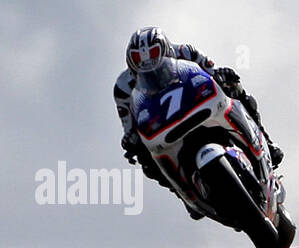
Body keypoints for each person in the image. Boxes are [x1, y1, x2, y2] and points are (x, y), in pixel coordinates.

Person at [113, 26, 283, 219]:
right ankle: (184, 194)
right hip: (164, 124)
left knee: (236, 89)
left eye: (153, 55)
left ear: (166, 49)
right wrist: (130, 139)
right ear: (131, 63)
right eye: (140, 61)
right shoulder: (122, 87)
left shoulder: (186, 52)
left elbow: (213, 72)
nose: (148, 63)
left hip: (198, 105)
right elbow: (128, 124)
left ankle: (266, 141)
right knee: (145, 159)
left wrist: (223, 76)